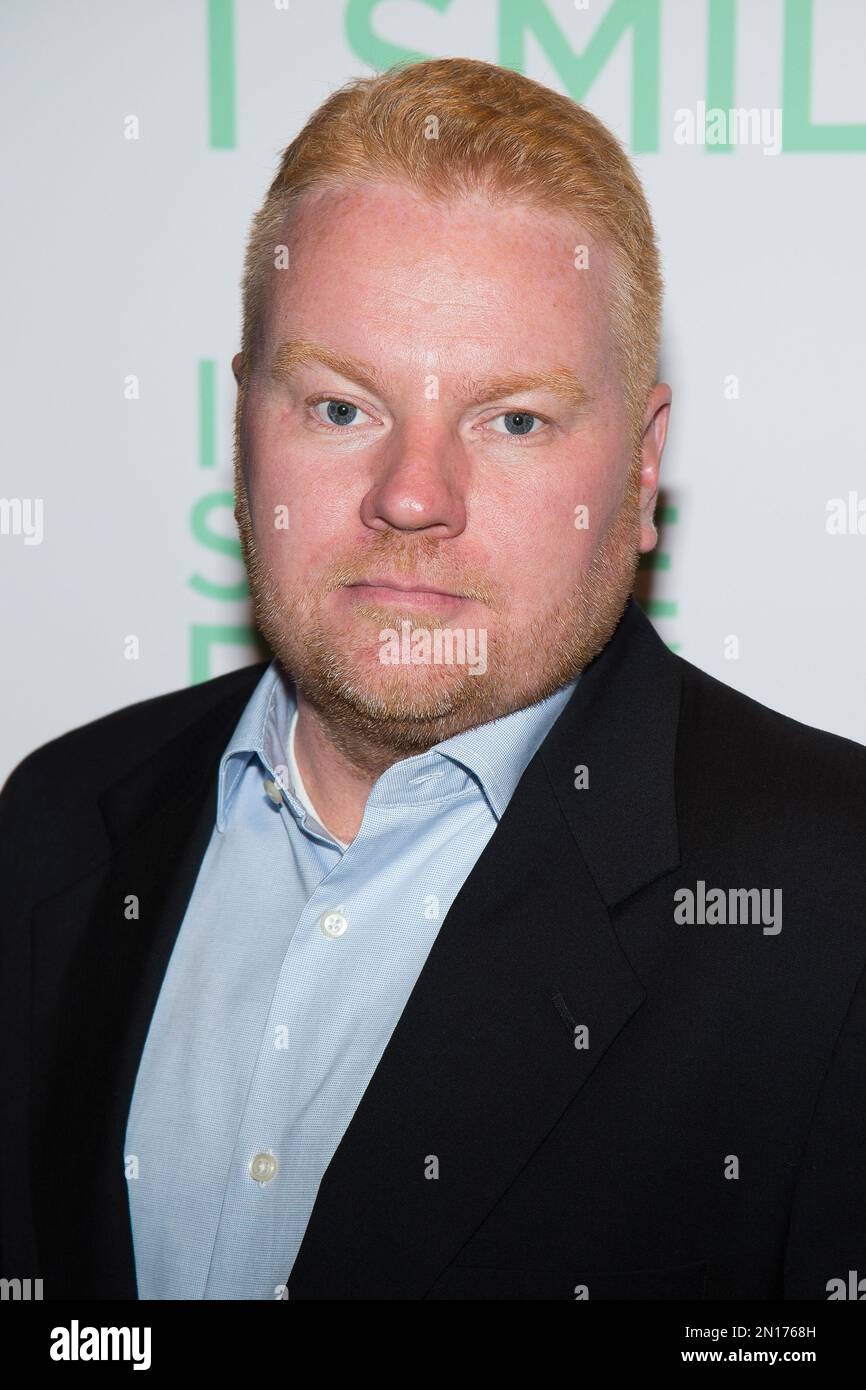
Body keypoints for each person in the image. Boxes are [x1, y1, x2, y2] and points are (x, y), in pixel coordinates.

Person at [2, 57, 865, 1302]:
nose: (411, 494)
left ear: (637, 470)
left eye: (511, 420)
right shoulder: (56, 819)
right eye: (341, 406)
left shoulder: (830, 902)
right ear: (242, 430)